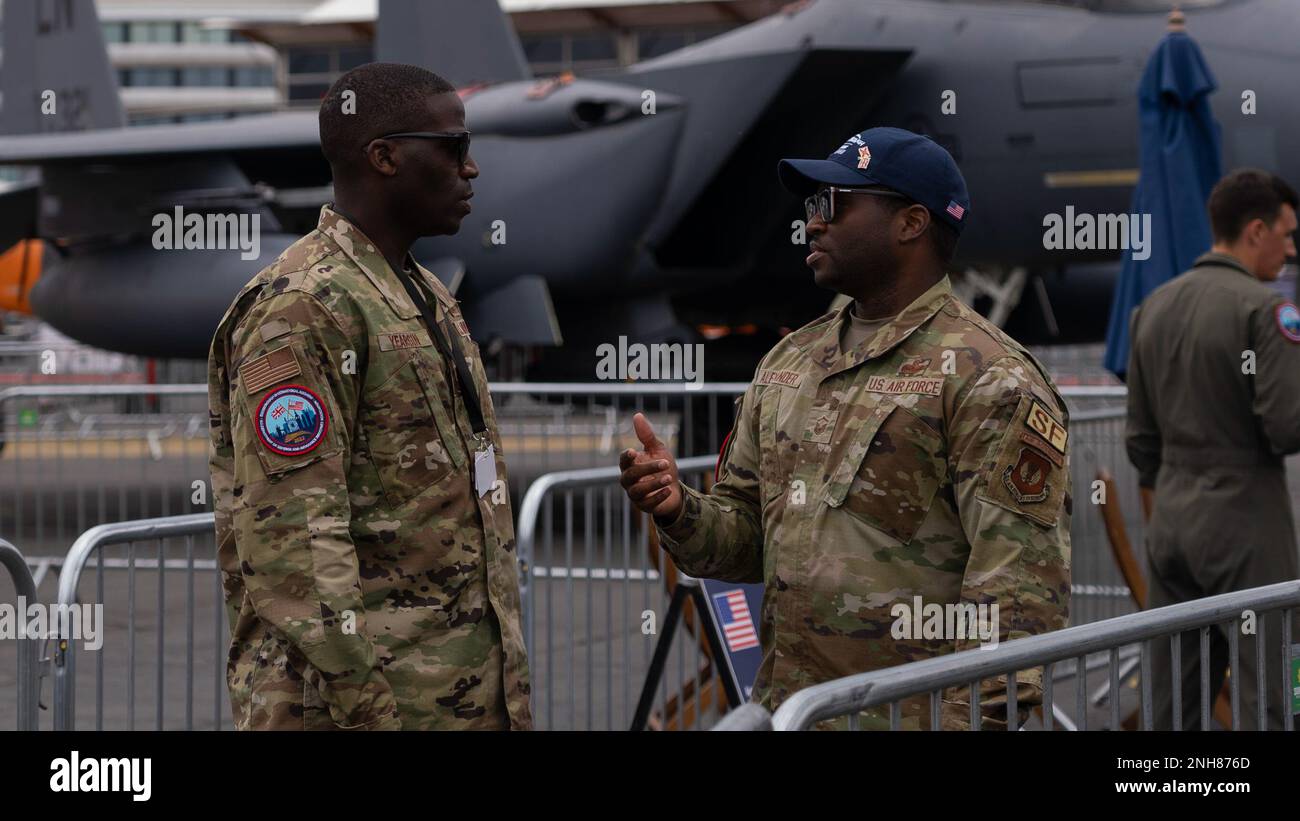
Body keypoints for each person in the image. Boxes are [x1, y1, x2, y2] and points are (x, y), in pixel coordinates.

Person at [619, 127, 1072, 729]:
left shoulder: (990, 378)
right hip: (794, 714)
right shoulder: (787, 364)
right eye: (810, 206)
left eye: (832, 203)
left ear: (911, 223)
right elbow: (746, 541)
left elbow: (1017, 600)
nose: (812, 223)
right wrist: (680, 510)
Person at [207, 62, 531, 730]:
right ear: (384, 156)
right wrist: (372, 713)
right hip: (359, 711)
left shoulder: (421, 293)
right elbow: (297, 547)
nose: (470, 170)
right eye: (453, 148)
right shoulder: (303, 307)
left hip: (452, 700)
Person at [1127, 168, 1300, 730]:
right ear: (1256, 231)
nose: (1291, 249)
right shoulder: (1266, 310)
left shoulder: (1152, 306)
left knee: (1174, 697)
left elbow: (1141, 440)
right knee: (1272, 688)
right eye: (1287, 233)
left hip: (1172, 521)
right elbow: (1286, 426)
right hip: (1246, 519)